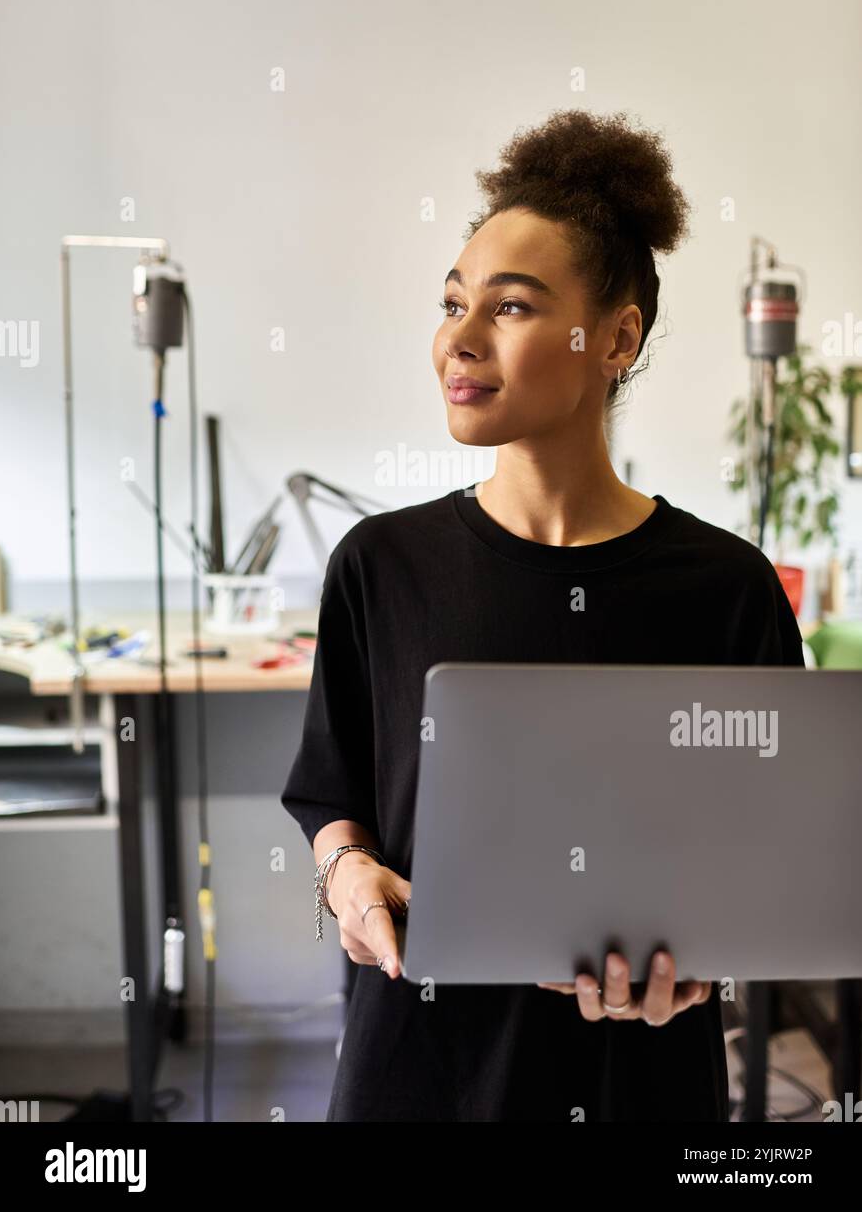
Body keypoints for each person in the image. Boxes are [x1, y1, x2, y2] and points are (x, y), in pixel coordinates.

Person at [281, 108, 805, 1122]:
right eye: (452, 301)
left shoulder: (727, 587)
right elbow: (331, 791)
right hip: (415, 1066)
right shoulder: (380, 565)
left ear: (617, 335)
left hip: (639, 1081)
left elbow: (765, 861)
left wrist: (704, 965)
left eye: (512, 307)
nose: (459, 340)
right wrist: (346, 877)